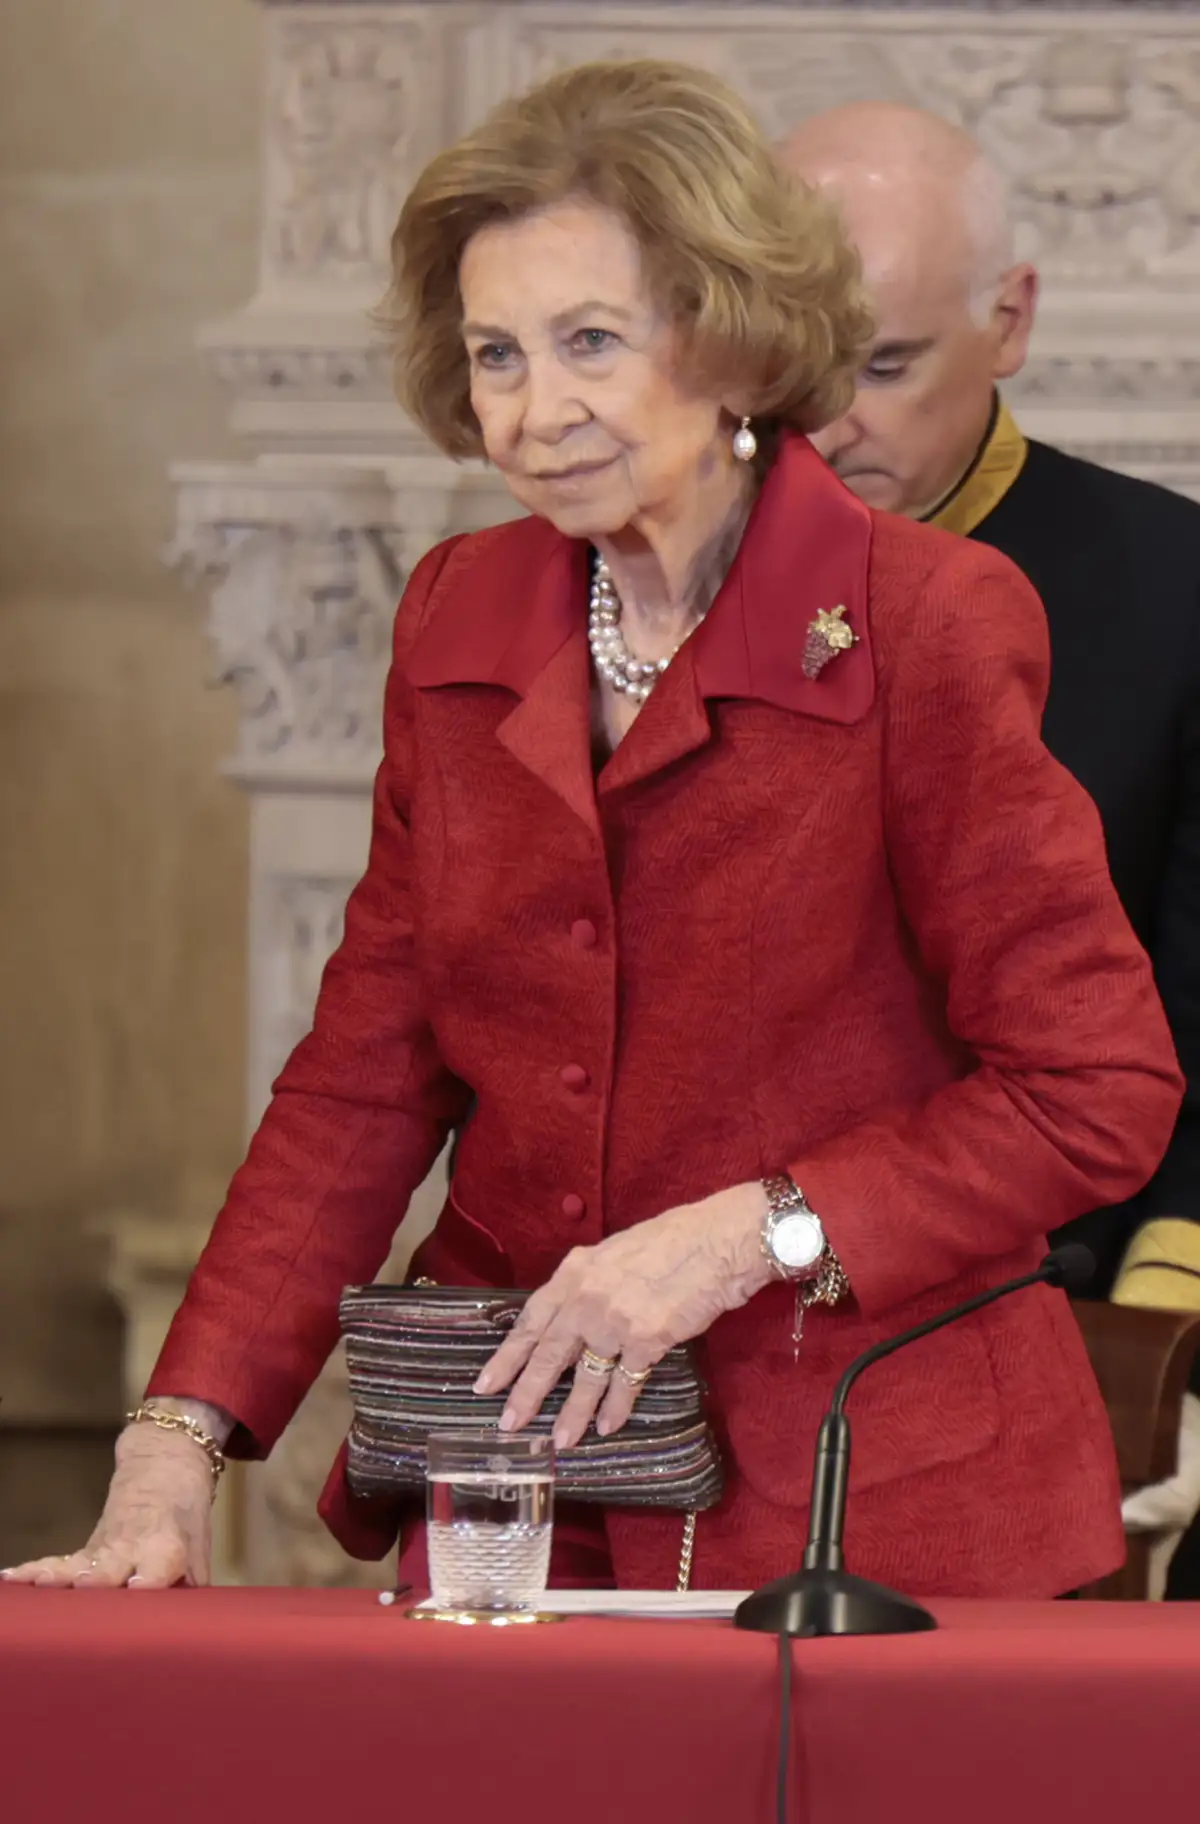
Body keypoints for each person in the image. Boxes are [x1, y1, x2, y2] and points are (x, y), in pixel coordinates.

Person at [5, 60, 1182, 1599]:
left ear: (734, 342)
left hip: (870, 1513)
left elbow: (1093, 1089)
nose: (532, 410)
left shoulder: (929, 621)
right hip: (518, 1502)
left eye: (590, 344)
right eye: (496, 352)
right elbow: (364, 1075)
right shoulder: (455, 616)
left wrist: (739, 1237)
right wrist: (176, 1441)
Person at [780, 101, 1200, 1598]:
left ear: (1009, 319)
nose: (826, 420)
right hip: (747, 1322)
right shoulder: (662, 578)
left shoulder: (1175, 586)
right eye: (793, 358)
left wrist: (1162, 1312)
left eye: (885, 367)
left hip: (1067, 1313)